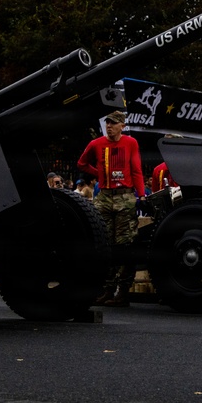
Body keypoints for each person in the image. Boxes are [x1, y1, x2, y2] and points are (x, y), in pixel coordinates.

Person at [77, 110, 146, 307]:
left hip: (125, 195)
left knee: (125, 245)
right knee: (103, 243)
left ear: (122, 126)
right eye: (107, 123)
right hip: (105, 196)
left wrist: (141, 194)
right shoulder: (96, 143)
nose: (109, 126)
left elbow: (136, 169)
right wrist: (98, 173)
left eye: (114, 123)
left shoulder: (130, 143)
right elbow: (81, 163)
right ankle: (106, 290)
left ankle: (122, 292)